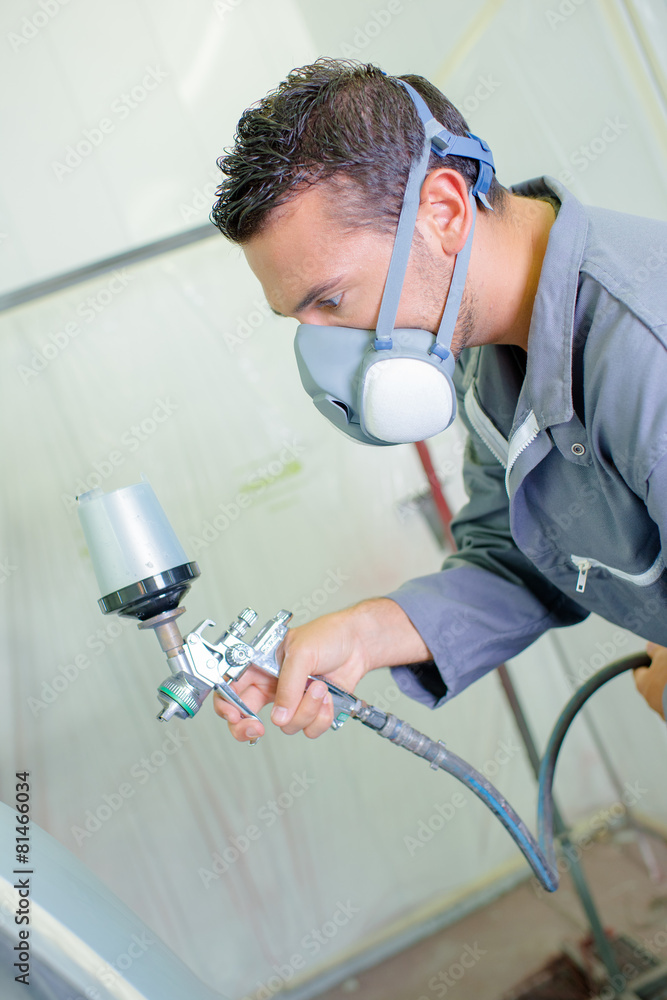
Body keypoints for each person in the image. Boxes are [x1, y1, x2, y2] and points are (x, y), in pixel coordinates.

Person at [209, 58, 667, 743]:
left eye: (331, 301)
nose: (328, 353)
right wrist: (363, 634)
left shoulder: (643, 347)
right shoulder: (482, 348)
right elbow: (520, 555)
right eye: (303, 323)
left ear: (444, 213)